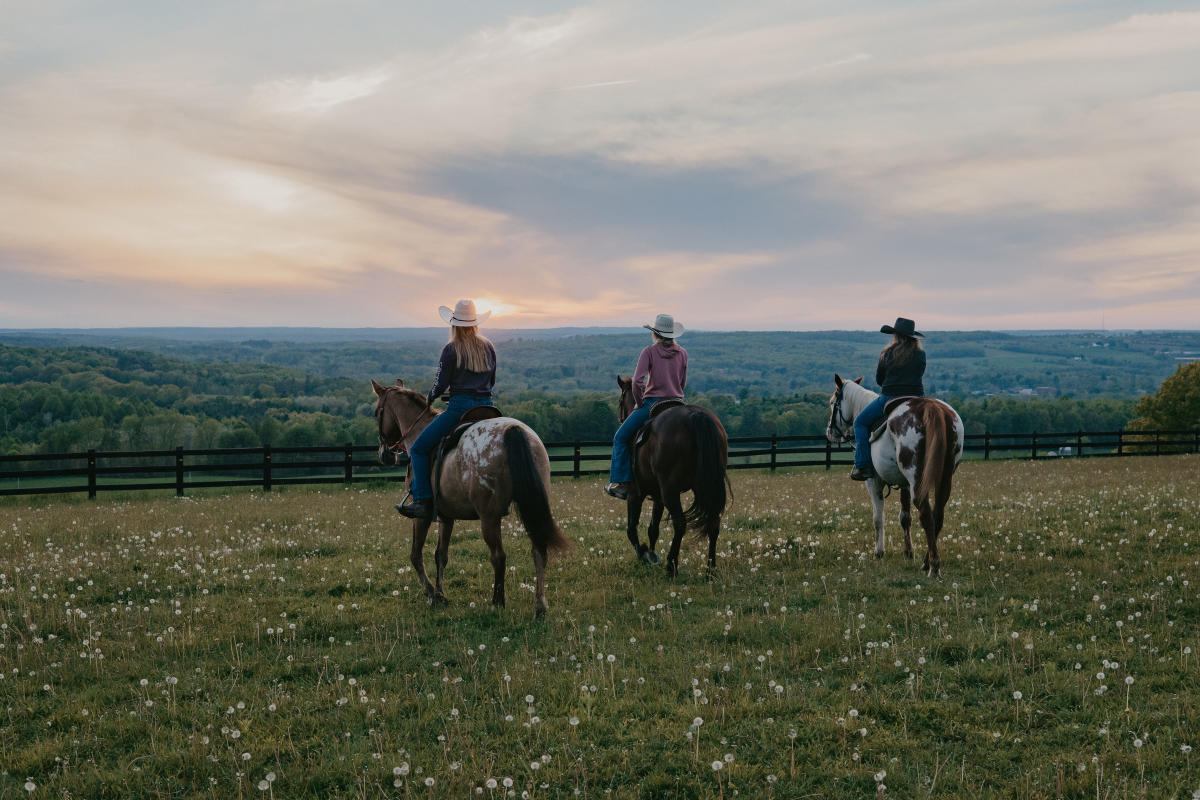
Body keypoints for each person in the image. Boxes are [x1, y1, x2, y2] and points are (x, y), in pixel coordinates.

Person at [396, 299, 496, 520]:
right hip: (488, 408)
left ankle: (422, 500)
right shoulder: (488, 346)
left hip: (459, 409)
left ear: (454, 324)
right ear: (475, 323)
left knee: (419, 449)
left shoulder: (451, 349)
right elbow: (492, 381)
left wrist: (431, 396)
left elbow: (440, 383)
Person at [605, 313, 688, 500]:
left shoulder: (649, 352)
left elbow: (637, 383)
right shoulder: (683, 353)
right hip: (677, 402)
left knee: (620, 438)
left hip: (652, 403)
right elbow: (682, 382)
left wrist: (640, 403)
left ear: (655, 333)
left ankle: (622, 483)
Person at [850, 316, 926, 481]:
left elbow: (879, 379)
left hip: (890, 398)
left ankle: (863, 466)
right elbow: (920, 374)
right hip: (916, 399)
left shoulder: (887, 353)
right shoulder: (920, 354)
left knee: (860, 423)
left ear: (895, 335)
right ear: (913, 337)